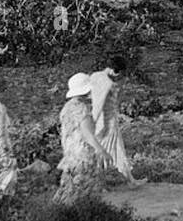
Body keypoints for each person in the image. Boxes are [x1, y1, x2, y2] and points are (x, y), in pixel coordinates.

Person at [55, 72, 113, 203]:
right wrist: (102, 151)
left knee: (68, 191)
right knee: (85, 194)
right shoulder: (81, 109)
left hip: (70, 156)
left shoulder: (66, 108)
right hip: (84, 157)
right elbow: (88, 135)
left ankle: (56, 218)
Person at [89, 54, 146, 187]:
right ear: (115, 70)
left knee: (102, 150)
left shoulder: (95, 76)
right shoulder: (108, 83)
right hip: (107, 122)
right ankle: (130, 181)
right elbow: (100, 103)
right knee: (117, 150)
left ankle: (101, 181)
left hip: (98, 121)